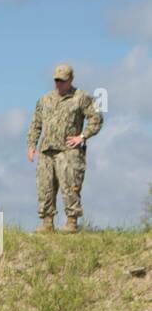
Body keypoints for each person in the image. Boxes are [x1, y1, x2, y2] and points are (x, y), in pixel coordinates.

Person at [27, 63, 103, 233]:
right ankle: (47, 222)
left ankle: (71, 222)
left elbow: (96, 118)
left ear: (70, 80)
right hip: (47, 151)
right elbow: (36, 124)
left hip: (69, 151)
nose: (58, 84)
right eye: (56, 80)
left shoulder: (81, 97)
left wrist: (82, 136)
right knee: (45, 187)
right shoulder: (45, 99)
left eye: (62, 81)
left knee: (71, 186)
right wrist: (32, 144)